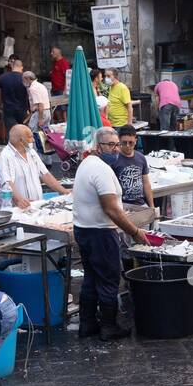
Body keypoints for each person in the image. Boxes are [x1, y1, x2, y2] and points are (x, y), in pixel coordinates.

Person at [73, 127, 150, 339]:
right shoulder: (101, 169)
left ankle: (87, 324)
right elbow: (111, 208)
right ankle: (108, 326)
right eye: (110, 145)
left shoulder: (87, 163)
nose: (115, 149)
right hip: (100, 233)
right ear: (98, 147)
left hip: (84, 229)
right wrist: (134, 231)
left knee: (91, 278)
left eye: (117, 144)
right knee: (109, 279)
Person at [0, 124, 69, 208]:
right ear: (21, 140)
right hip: (16, 209)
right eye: (30, 137)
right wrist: (19, 200)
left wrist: (63, 191)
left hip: (35, 206)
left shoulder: (31, 152)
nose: (33, 140)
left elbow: (45, 174)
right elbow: (7, 183)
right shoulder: (5, 157)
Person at [112, 125, 155, 217]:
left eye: (131, 143)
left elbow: (146, 183)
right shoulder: (114, 159)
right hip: (122, 205)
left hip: (140, 204)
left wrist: (152, 206)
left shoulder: (141, 157)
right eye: (124, 143)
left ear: (136, 140)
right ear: (119, 140)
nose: (127, 146)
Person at [0, 59, 29, 131]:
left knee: (11, 131)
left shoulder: (2, 78)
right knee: (24, 130)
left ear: (12, 66)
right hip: (22, 109)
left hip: (8, 109)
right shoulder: (25, 78)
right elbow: (29, 93)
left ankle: (11, 142)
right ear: (21, 67)